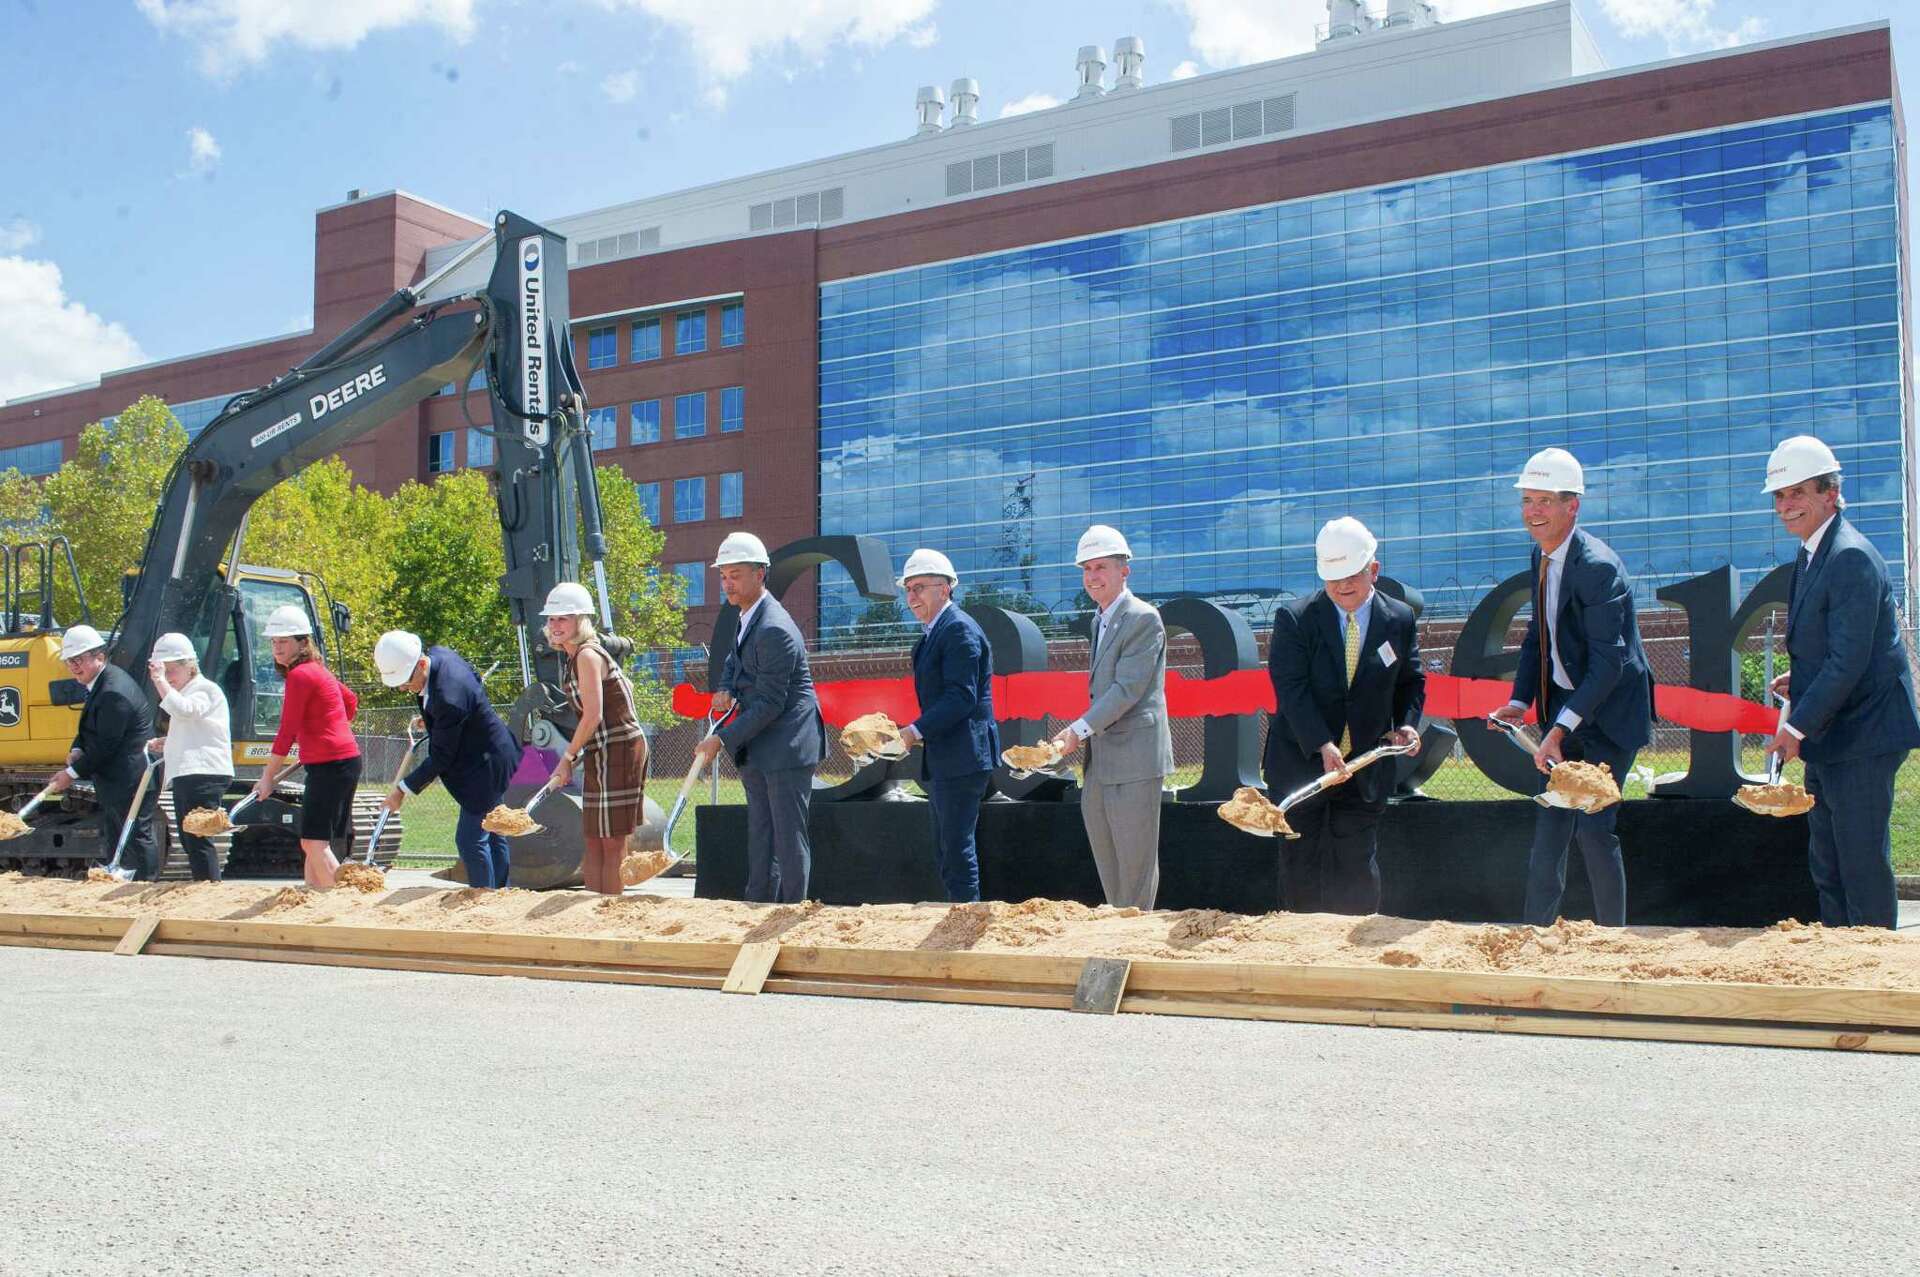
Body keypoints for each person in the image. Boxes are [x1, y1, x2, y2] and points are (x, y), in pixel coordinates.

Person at [1488, 448, 1654, 927]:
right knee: (1550, 829)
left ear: (1572, 507)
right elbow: (1537, 640)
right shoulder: (1541, 557)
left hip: (1609, 719)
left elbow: (1609, 665)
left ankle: (1611, 939)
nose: (1533, 512)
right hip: (1568, 714)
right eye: (1527, 501)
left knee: (1596, 830)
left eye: (1544, 501)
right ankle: (1535, 933)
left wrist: (1558, 731)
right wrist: (1520, 702)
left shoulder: (1598, 568)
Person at [1761, 436, 1920, 929]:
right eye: (1780, 496)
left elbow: (1849, 661)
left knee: (1859, 862)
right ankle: (1839, 958)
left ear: (1830, 494)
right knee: (1828, 863)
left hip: (1865, 733)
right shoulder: (1813, 553)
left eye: (1798, 493)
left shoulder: (1848, 555)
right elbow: (1835, 648)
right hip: (1836, 729)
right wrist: (1802, 677)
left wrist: (1796, 727)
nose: (1787, 506)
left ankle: (1874, 976)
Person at [1264, 518, 1425, 915]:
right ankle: (1301, 955)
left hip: (1364, 768)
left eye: (1351, 575)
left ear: (1373, 569)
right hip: (1303, 766)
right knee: (1300, 865)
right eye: (1332, 579)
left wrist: (1406, 723)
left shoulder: (1399, 619)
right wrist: (1323, 743)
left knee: (1356, 868)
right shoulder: (1296, 619)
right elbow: (1291, 689)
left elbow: (1410, 680)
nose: (1342, 587)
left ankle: (1353, 955)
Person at [694, 532, 826, 904]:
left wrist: (721, 738)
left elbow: (770, 702)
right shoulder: (748, 617)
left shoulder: (774, 628)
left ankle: (790, 913)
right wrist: (725, 688)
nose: (727, 583)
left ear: (760, 574)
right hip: (759, 745)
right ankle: (757, 907)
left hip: (787, 746)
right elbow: (735, 661)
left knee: (788, 838)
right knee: (761, 835)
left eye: (735, 574)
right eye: (723, 575)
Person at [1048, 525, 1174, 911]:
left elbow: (1126, 690)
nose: (1092, 577)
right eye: (1086, 569)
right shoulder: (1099, 620)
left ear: (1125, 571)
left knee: (1134, 869)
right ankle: (1120, 932)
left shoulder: (1142, 618)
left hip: (1134, 761)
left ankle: (1132, 942)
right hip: (1102, 763)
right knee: (1109, 863)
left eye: (1101, 567)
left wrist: (1076, 731)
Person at [374, 630, 521, 890]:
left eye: (406, 681)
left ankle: (484, 897)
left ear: (421, 663)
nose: (402, 688)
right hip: (490, 752)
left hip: (485, 765)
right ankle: (501, 893)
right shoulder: (441, 656)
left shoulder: (449, 699)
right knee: (494, 829)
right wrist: (433, 719)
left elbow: (441, 757)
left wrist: (401, 790)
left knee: (469, 839)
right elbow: (471, 685)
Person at [896, 548, 998, 903]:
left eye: (920, 587)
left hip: (963, 757)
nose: (912, 597)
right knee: (947, 846)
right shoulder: (934, 632)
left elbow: (961, 697)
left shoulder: (958, 630)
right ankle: (957, 917)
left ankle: (964, 920)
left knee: (956, 847)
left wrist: (913, 731)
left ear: (946, 588)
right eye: (908, 589)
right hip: (947, 757)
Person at [543, 583, 649, 896]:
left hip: (620, 748)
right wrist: (576, 754)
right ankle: (593, 910)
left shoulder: (588, 654)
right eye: (551, 619)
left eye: (563, 619)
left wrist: (566, 758)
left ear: (581, 621)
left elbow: (593, 716)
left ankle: (610, 912)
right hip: (600, 749)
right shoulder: (574, 657)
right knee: (593, 837)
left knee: (612, 840)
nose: (555, 626)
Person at [249, 606, 361, 889]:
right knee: (311, 841)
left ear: (302, 643)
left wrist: (267, 778)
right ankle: (315, 896)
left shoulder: (300, 676)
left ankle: (347, 898)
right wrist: (329, 728)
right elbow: (350, 702)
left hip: (331, 765)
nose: (277, 647)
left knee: (313, 840)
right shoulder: (318, 672)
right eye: (274, 642)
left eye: (284, 641)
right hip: (340, 761)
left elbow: (286, 731)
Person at [47, 625, 160, 880]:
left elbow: (106, 745)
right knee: (117, 835)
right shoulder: (102, 683)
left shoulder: (112, 692)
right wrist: (77, 749)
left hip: (130, 777)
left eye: (79, 660)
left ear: (99, 656)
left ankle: (146, 887)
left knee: (134, 835)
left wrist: (71, 773)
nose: (74, 666)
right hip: (118, 777)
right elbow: (91, 730)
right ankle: (122, 881)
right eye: (69, 662)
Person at [145, 631, 233, 881]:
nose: (168, 678)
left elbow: (185, 711)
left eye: (172, 671)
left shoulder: (204, 689)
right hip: (192, 773)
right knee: (189, 836)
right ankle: (203, 882)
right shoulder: (188, 692)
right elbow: (194, 727)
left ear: (189, 667)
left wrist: (160, 681)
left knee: (197, 834)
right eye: (165, 672)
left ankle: (207, 885)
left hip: (204, 773)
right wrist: (169, 742)